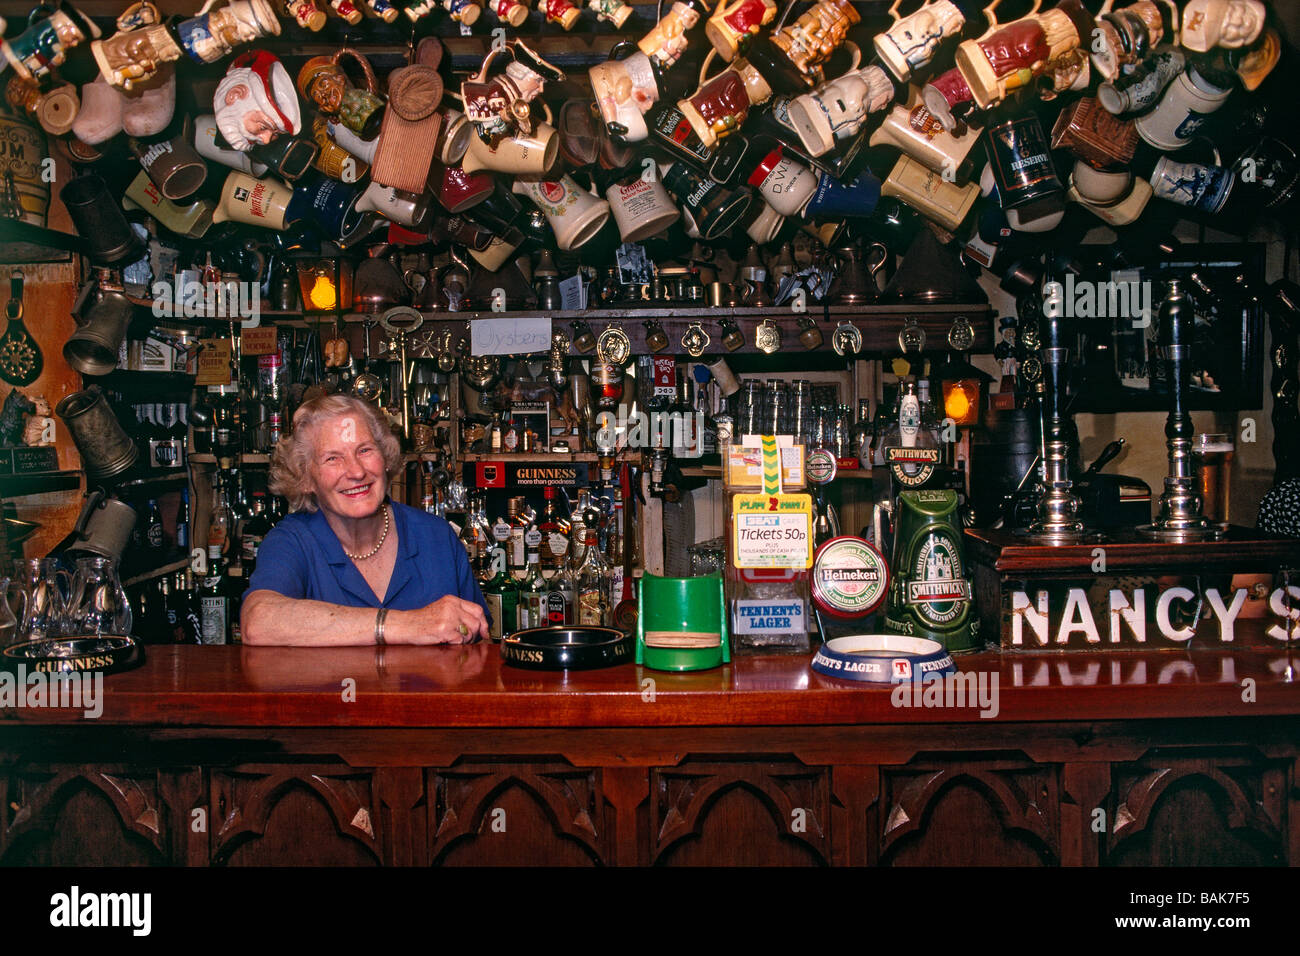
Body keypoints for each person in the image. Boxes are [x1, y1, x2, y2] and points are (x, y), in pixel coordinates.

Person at [240, 394, 489, 645]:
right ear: (305, 479)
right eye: (333, 458)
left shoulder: (435, 536)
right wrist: (408, 624)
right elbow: (258, 622)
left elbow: (480, 642)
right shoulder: (292, 541)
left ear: (386, 457)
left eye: (365, 450)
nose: (357, 472)